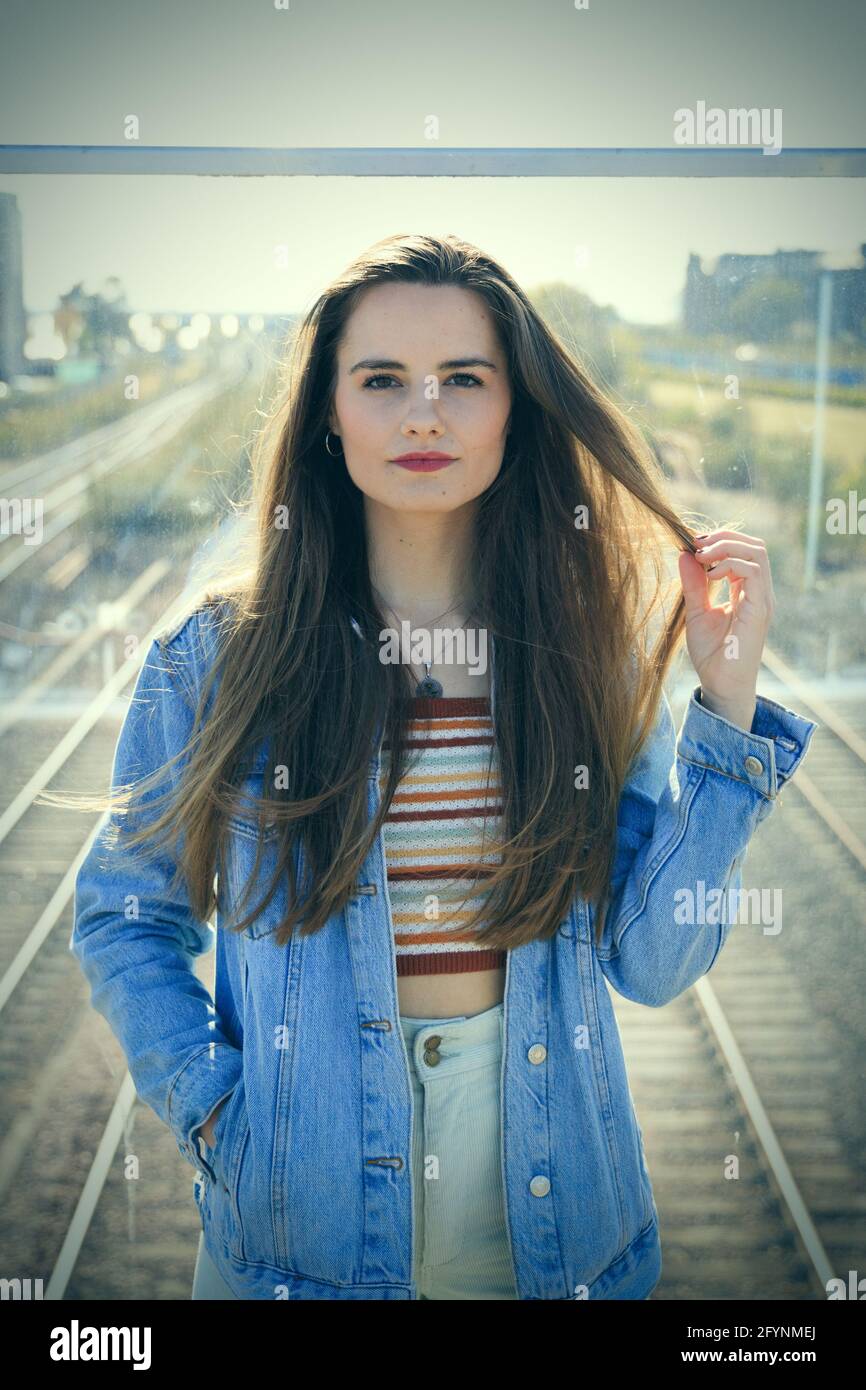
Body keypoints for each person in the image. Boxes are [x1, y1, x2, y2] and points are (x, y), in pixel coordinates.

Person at [71, 232, 817, 1300]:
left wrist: (726, 704)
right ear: (328, 409)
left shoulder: (582, 647)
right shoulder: (216, 656)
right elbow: (124, 913)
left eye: (463, 379)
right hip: (297, 1228)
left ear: (514, 407)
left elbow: (652, 963)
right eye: (382, 380)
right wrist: (212, 1105)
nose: (424, 411)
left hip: (552, 1225)